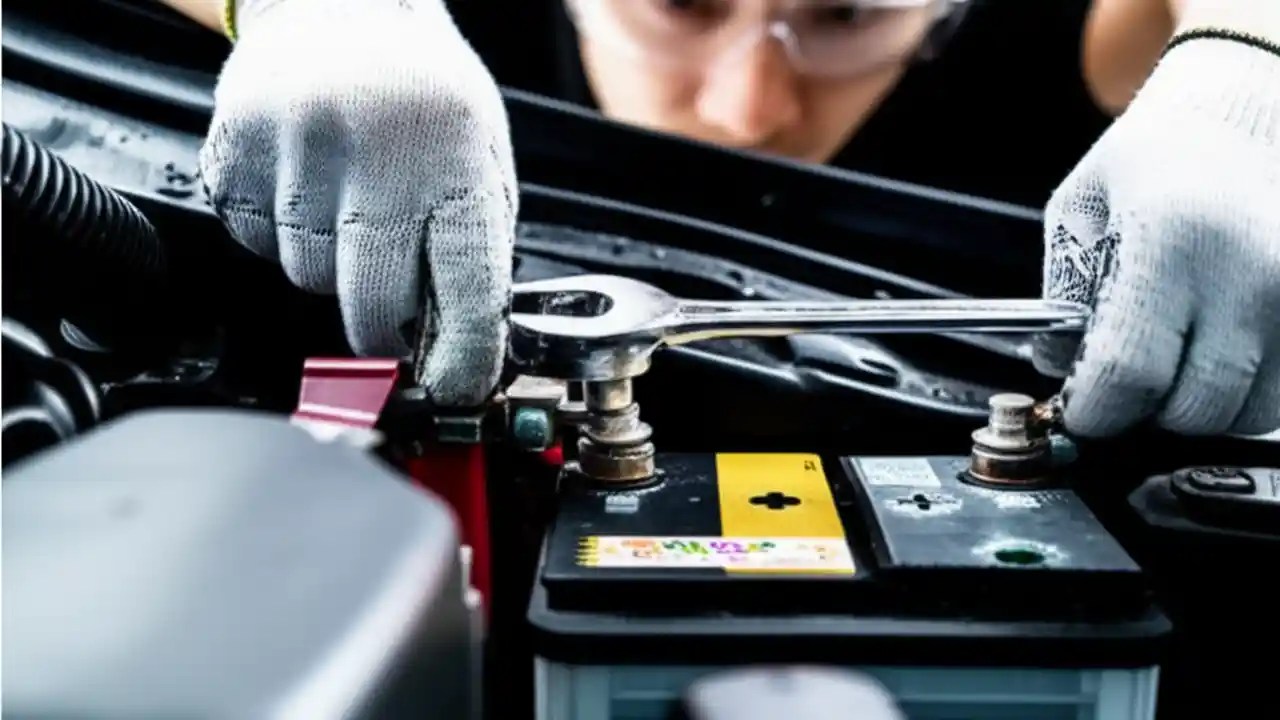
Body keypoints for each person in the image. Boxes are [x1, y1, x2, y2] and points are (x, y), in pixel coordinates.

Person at [166, 0, 1279, 438]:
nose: (743, 108)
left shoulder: (1071, 33)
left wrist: (1244, 70)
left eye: (846, 17)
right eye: (681, 5)